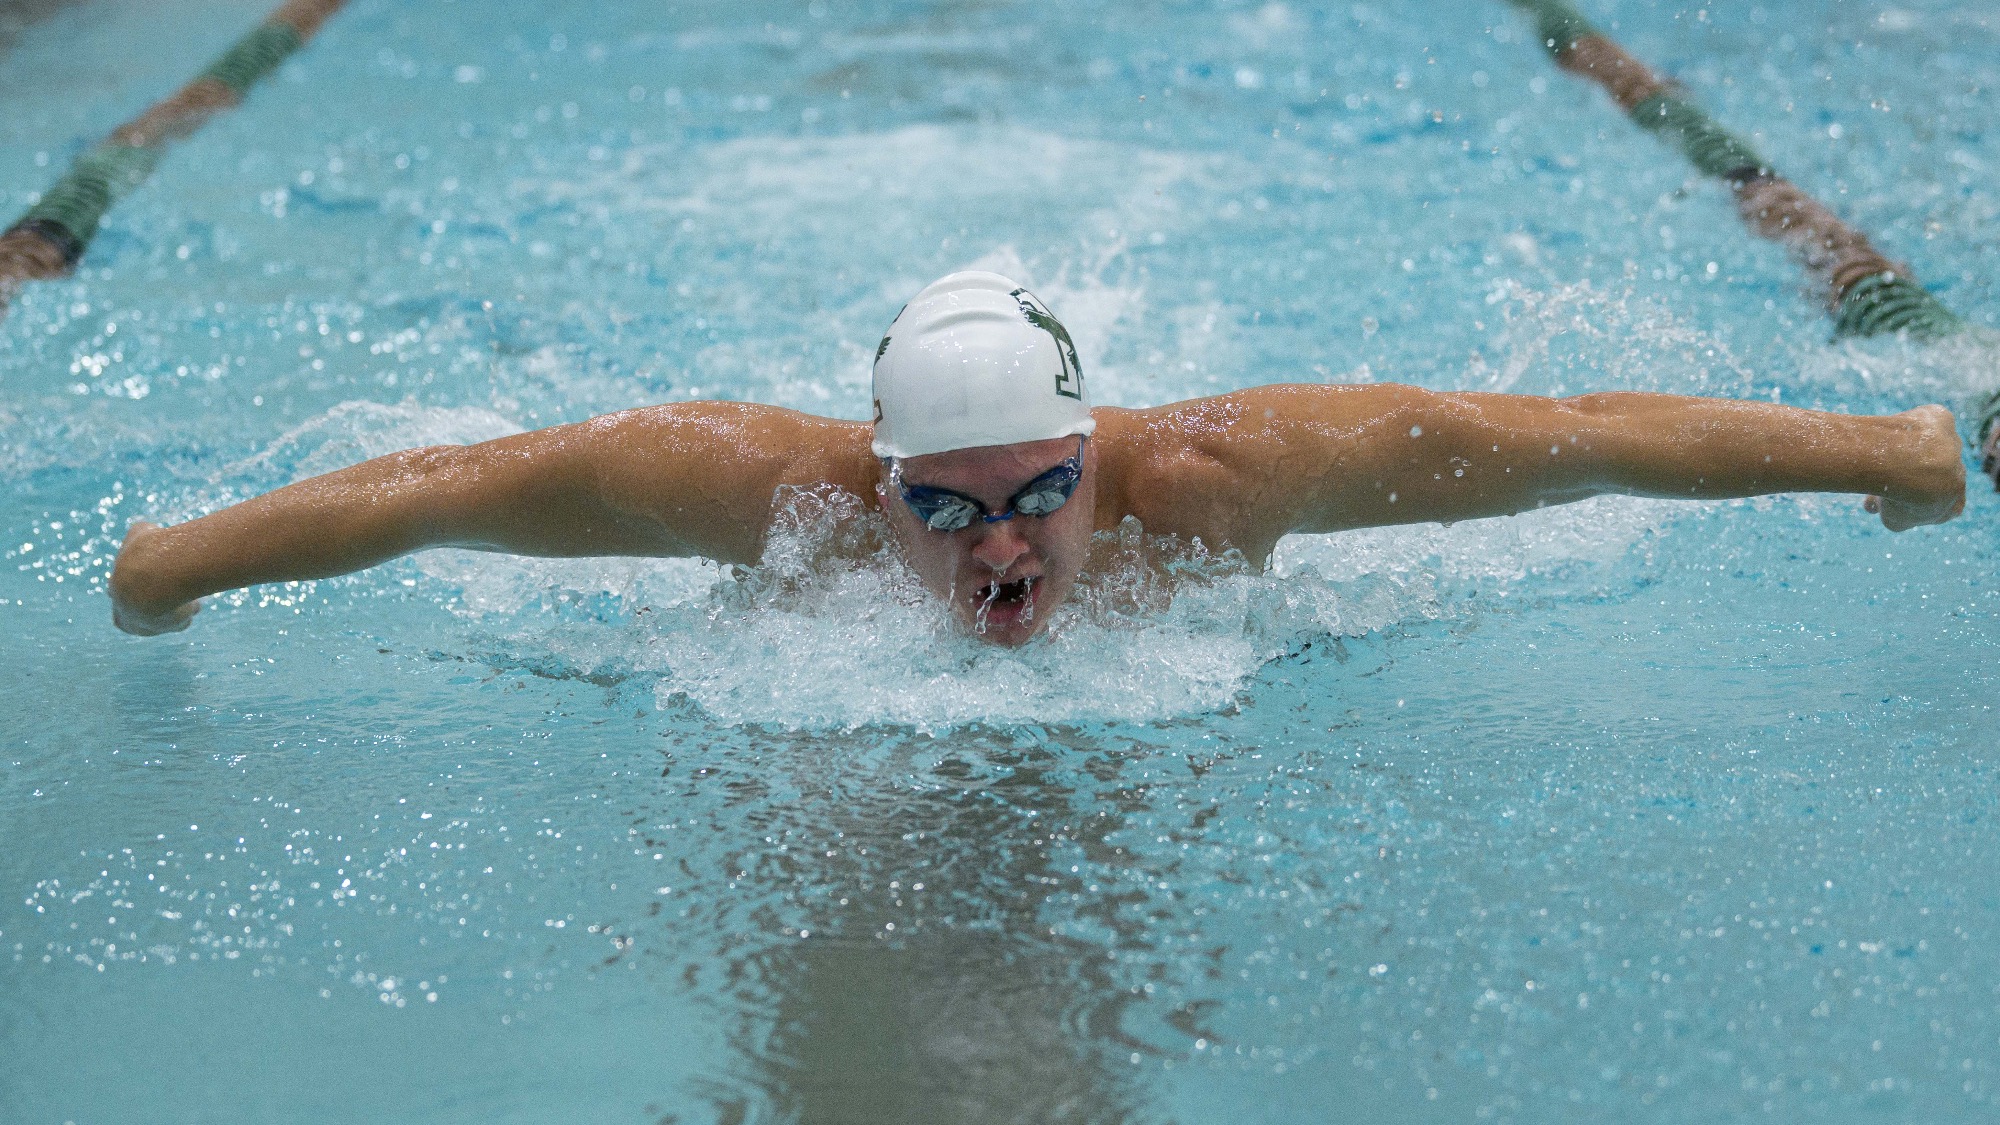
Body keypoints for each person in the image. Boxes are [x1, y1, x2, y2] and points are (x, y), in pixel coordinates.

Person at [109, 271, 1967, 645]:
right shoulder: (768, 489)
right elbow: (452, 487)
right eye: (946, 508)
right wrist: (174, 560)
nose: (999, 545)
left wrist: (1882, 449)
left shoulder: (1229, 474)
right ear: (875, 473)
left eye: (1035, 496)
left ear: (1096, 456)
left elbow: (1569, 447)